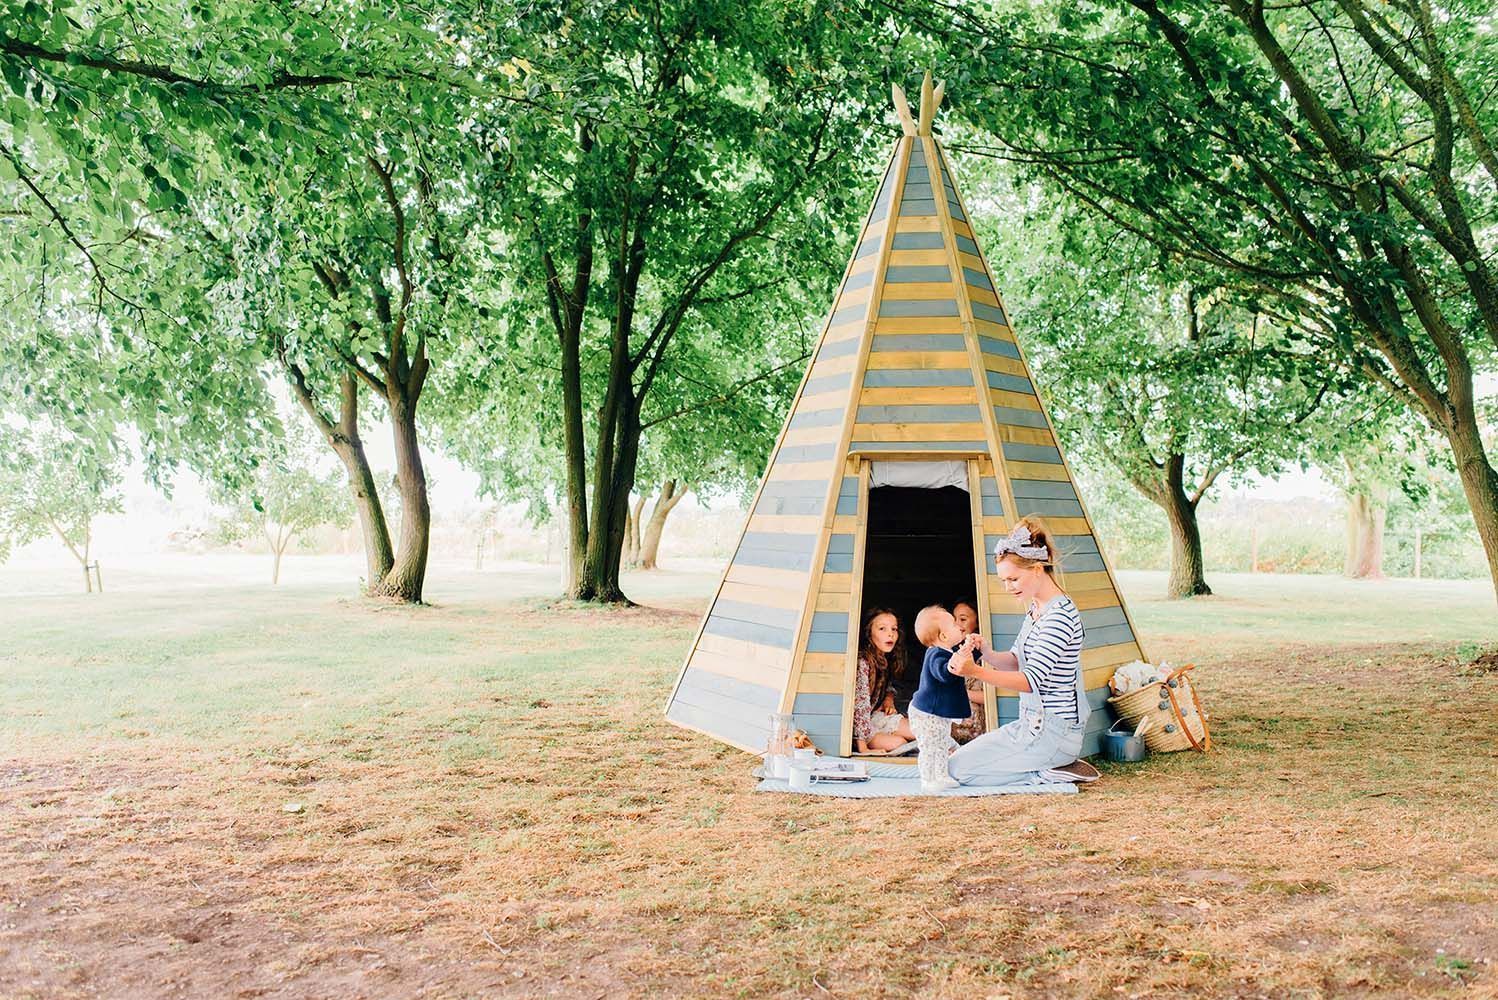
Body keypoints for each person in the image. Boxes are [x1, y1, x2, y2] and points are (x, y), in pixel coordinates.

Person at [947, 516, 1098, 786]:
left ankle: (1048, 771)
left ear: (1038, 569)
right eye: (1004, 580)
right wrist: (987, 653)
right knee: (954, 764)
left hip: (1054, 733)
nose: (1008, 587)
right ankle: (1043, 767)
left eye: (1013, 579)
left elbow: (1029, 681)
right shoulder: (1037, 609)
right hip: (1029, 726)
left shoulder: (1059, 617)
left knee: (962, 773)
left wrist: (975, 671)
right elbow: (1017, 661)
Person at [909, 606, 976, 792]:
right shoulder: (936, 654)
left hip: (937, 714)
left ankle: (942, 775)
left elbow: (964, 658)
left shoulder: (949, 651)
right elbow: (943, 673)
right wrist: (953, 665)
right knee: (930, 746)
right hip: (926, 713)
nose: (960, 627)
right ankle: (928, 778)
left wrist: (976, 648)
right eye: (955, 624)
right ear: (944, 637)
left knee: (941, 744)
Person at [853, 607, 916, 753]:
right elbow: (859, 705)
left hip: (875, 716)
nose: (890, 634)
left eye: (894, 629)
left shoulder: (885, 658)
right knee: (899, 743)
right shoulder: (862, 661)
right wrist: (864, 750)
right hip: (858, 728)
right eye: (882, 629)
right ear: (869, 633)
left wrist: (888, 698)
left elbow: (890, 685)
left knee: (918, 731)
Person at [949, 598, 987, 743]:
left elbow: (989, 698)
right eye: (954, 619)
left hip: (975, 725)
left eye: (963, 619)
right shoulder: (952, 652)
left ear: (977, 622)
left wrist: (962, 693)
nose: (957, 624)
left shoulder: (984, 655)